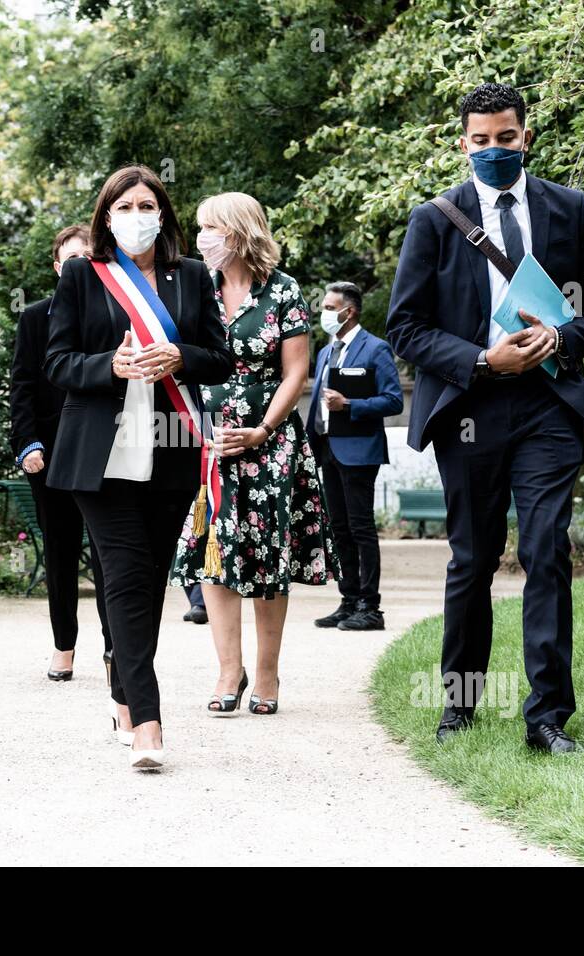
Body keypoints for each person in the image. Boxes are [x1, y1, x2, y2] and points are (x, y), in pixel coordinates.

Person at [385, 82, 584, 753]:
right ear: (464, 143)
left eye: (505, 138)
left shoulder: (570, 209)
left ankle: (547, 718)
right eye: (480, 141)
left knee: (547, 549)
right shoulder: (435, 219)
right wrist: (483, 360)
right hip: (470, 406)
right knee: (473, 557)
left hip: (548, 405)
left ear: (526, 137)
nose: (493, 150)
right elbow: (405, 326)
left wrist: (562, 339)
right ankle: (459, 704)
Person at [44, 165, 231, 770]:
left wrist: (182, 355)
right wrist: (110, 366)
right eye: (122, 207)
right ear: (105, 217)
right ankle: (148, 721)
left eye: (146, 204)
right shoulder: (81, 274)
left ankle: (123, 692)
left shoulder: (193, 278)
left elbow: (221, 360)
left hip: (172, 446)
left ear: (163, 214)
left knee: (149, 581)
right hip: (100, 454)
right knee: (124, 575)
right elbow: (58, 364)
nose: (135, 215)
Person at [170, 192, 335, 717]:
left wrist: (263, 429)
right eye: (199, 228)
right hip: (210, 441)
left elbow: (296, 373)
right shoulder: (197, 286)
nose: (201, 238)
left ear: (239, 231)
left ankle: (266, 672)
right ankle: (227, 668)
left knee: (267, 557)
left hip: (271, 442)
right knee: (215, 558)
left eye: (211, 228)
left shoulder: (283, 291)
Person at [9, 224, 112, 682]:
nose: (78, 265)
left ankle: (116, 647)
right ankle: (63, 647)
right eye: (70, 258)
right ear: (57, 267)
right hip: (48, 455)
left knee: (112, 552)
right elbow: (22, 388)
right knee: (61, 552)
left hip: (104, 448)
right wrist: (27, 443)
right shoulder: (35, 318)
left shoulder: (113, 313)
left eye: (86, 257)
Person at [308, 281, 404, 632]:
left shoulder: (375, 349)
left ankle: (370, 605)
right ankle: (348, 600)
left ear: (350, 312)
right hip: (328, 448)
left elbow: (394, 400)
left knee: (361, 528)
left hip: (360, 451)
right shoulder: (325, 351)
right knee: (339, 529)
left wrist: (349, 404)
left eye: (331, 308)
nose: (325, 314)